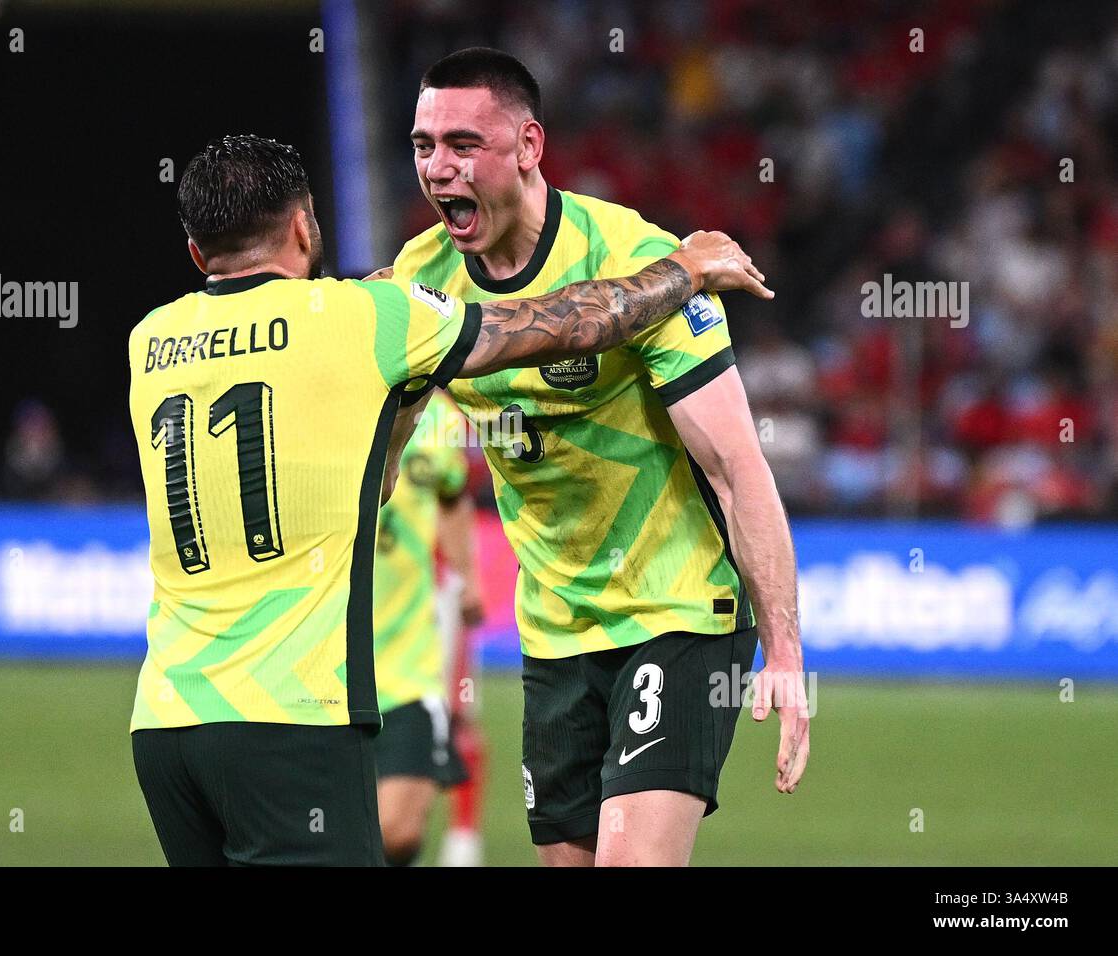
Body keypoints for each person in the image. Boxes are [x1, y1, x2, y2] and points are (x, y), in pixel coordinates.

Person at [127, 132, 771, 866]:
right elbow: (562, 323)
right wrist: (681, 270)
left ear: (194, 252)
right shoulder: (364, 318)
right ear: (305, 227)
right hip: (289, 719)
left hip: (166, 721)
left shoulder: (150, 342)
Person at [379, 48, 807, 866]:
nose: (438, 168)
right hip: (556, 625)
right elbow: (390, 445)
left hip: (677, 607)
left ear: (530, 147)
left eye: (464, 144)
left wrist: (784, 649)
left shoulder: (635, 258)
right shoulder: (420, 279)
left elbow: (736, 468)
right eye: (423, 145)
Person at [371, 390, 479, 865]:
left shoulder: (440, 418)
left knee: (396, 833)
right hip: (322, 666)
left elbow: (453, 494)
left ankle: (464, 836)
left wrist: (468, 575)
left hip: (408, 653)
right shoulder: (327, 392)